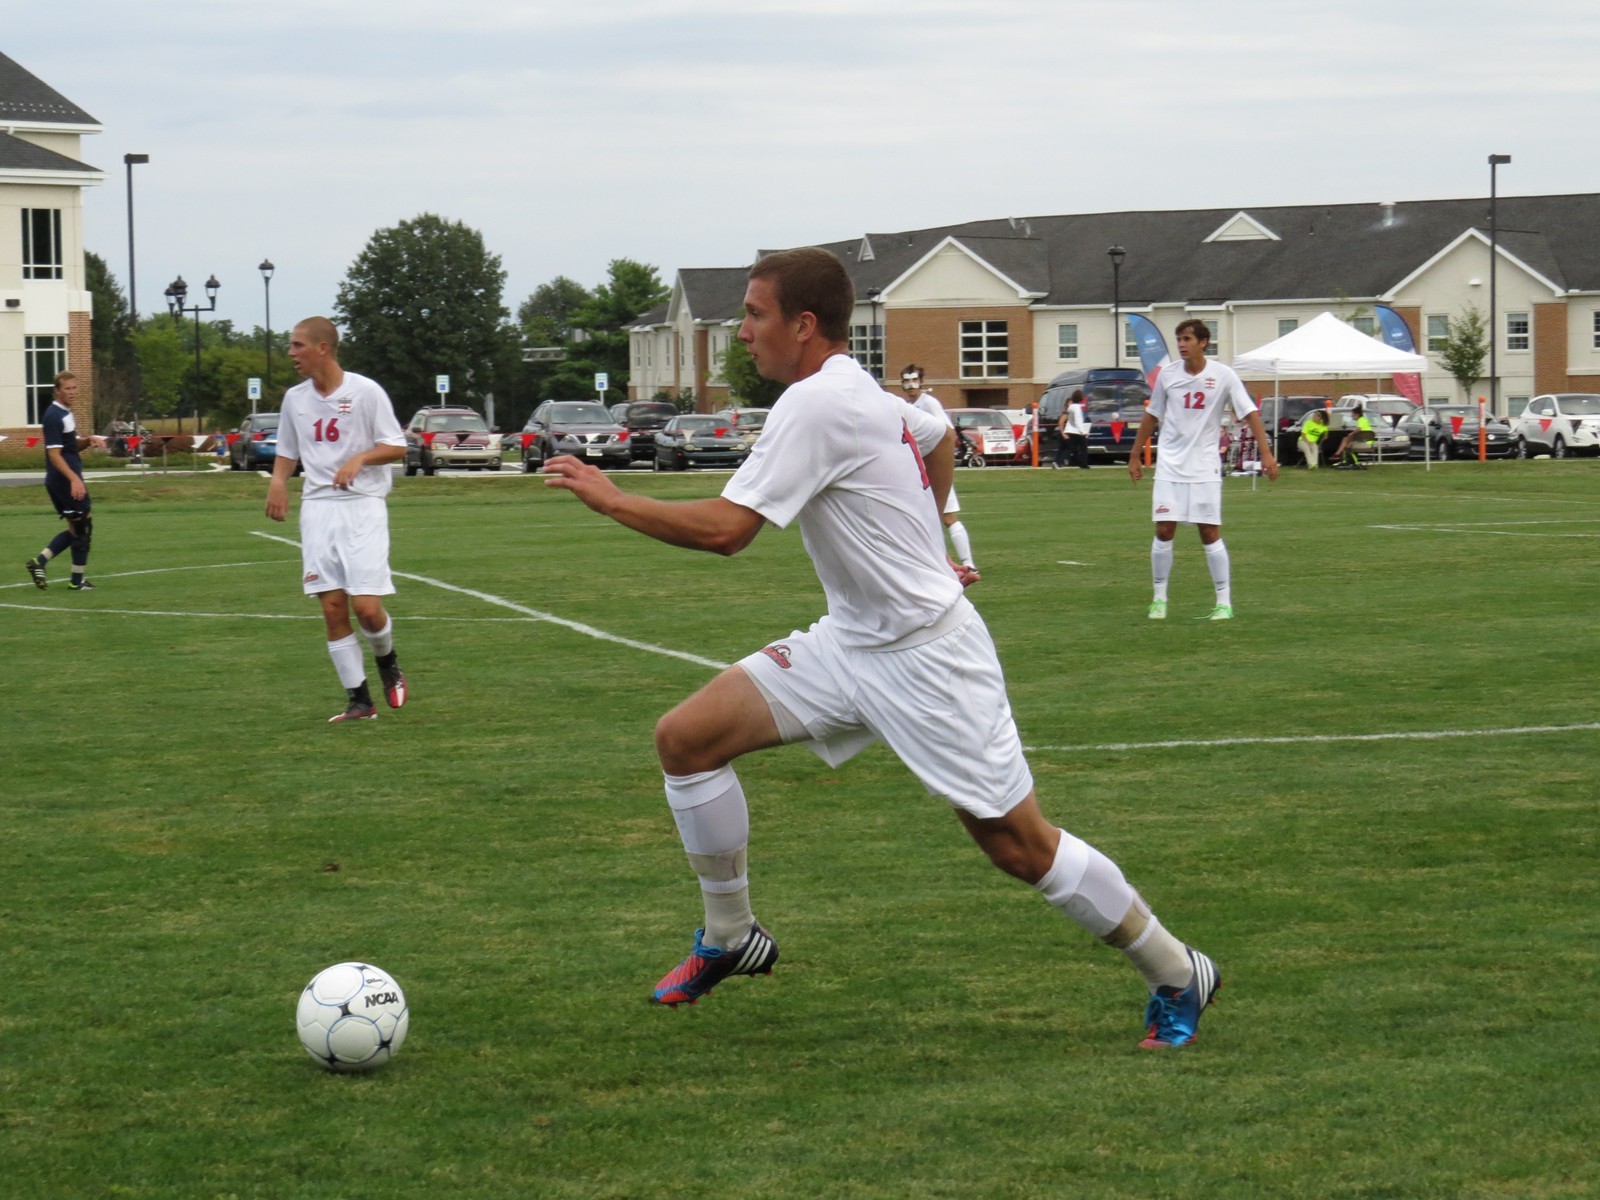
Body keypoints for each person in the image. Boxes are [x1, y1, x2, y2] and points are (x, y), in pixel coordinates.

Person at [543, 247, 1220, 1049]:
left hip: (929, 659)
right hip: (850, 645)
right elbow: (938, 435)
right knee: (686, 740)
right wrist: (923, 538)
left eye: (755, 315)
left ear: (803, 325)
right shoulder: (854, 391)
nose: (745, 333)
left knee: (1019, 845)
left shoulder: (817, 402)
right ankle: (731, 936)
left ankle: (1177, 970)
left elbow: (728, 532)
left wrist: (611, 497)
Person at [265, 317, 409, 723]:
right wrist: (278, 482)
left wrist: (360, 458)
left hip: (362, 505)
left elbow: (396, 446)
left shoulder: (365, 391)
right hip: (318, 508)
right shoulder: (295, 398)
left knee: (366, 608)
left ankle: (387, 660)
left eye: (297, 345)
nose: (291, 353)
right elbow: (288, 450)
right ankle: (359, 701)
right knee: (331, 608)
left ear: (323, 348)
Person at [1128, 319, 1278, 621]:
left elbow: (1249, 413)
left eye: (1187, 339)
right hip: (1170, 465)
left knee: (1208, 532)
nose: (1181, 345)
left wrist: (1266, 453)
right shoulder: (1168, 375)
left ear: (1203, 342)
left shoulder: (1223, 375)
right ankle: (1159, 599)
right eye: (1179, 339)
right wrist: (1135, 455)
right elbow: (1152, 415)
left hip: (1204, 466)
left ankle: (1223, 602)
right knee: (1164, 529)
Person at [25, 372, 105, 592]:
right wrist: (73, 479)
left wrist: (88, 440)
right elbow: (54, 455)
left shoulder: (65, 413)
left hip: (66, 480)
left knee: (78, 527)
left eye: (74, 388)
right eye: (67, 389)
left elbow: (71, 446)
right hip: (63, 481)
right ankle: (75, 581)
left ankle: (40, 562)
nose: (72, 392)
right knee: (82, 527)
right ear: (57, 391)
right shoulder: (53, 416)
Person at [898, 363, 978, 576]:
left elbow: (947, 431)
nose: (911, 385)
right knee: (922, 520)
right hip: (916, 471)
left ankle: (968, 563)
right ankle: (934, 563)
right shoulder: (906, 406)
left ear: (921, 382)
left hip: (933, 468)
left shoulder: (929, 403)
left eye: (914, 380)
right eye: (906, 381)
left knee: (948, 517)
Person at [1054, 388, 1089, 469]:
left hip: (1069, 430)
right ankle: (1084, 464)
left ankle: (1058, 463)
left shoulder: (1071, 407)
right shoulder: (1077, 408)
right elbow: (1078, 421)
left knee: (1071, 449)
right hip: (1077, 431)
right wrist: (1083, 431)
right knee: (1083, 448)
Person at [1331, 403, 1375, 469]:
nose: (1351, 416)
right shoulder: (1363, 420)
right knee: (1346, 442)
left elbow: (1359, 429)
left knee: (1346, 442)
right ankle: (1344, 459)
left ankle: (1340, 455)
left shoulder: (1361, 420)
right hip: (1366, 442)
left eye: (1352, 414)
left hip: (1365, 443)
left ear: (1356, 414)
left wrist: (1351, 434)